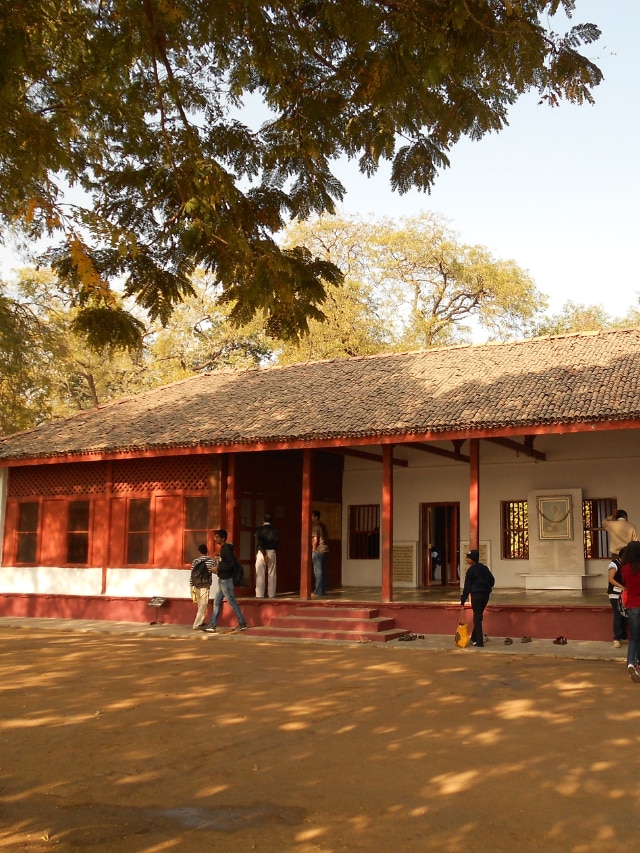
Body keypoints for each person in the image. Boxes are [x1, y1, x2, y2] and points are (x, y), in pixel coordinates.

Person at [203, 529, 247, 633]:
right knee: (217, 601)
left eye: (217, 537)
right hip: (222, 579)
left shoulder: (226, 549)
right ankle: (212, 624)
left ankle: (242, 623)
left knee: (231, 602)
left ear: (223, 538)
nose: (215, 539)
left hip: (226, 580)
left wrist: (218, 568)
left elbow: (231, 564)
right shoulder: (224, 549)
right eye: (215, 537)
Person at [460, 549, 495, 647]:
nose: (467, 560)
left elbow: (467, 586)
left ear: (472, 559)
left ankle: (479, 642)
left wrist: (463, 599)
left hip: (476, 595)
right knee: (479, 616)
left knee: (477, 617)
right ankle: (474, 638)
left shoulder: (471, 570)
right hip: (485, 595)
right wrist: (486, 587)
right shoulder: (485, 568)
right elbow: (492, 581)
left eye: (468, 558)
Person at [619, 541, 640, 682]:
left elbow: (625, 583)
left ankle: (631, 663)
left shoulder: (624, 568)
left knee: (634, 637)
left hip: (632, 606)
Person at [189, 543, 216, 630]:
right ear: (207, 551)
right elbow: (216, 571)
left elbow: (192, 574)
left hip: (196, 584)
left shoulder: (195, 561)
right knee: (203, 605)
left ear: (199, 551)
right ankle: (197, 624)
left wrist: (191, 585)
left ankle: (200, 622)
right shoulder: (211, 561)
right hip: (205, 585)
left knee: (200, 605)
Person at [255, 514, 280, 598]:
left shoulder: (260, 529)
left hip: (261, 552)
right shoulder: (275, 530)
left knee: (260, 573)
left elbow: (260, 542)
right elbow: (277, 541)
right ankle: (271, 594)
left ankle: (259, 594)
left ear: (263, 520)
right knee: (272, 573)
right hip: (272, 551)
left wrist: (264, 554)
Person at [607, 554, 627, 649]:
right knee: (618, 615)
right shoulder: (614, 564)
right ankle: (616, 639)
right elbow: (610, 579)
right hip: (615, 594)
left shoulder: (626, 564)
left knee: (624, 615)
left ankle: (623, 636)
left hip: (623, 594)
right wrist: (621, 586)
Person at [311, 510, 329, 597]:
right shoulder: (322, 525)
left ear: (316, 517)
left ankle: (318, 591)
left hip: (318, 550)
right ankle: (322, 590)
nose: (310, 518)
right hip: (325, 549)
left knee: (318, 571)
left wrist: (313, 549)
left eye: (312, 516)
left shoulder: (315, 526)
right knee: (323, 571)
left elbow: (315, 539)